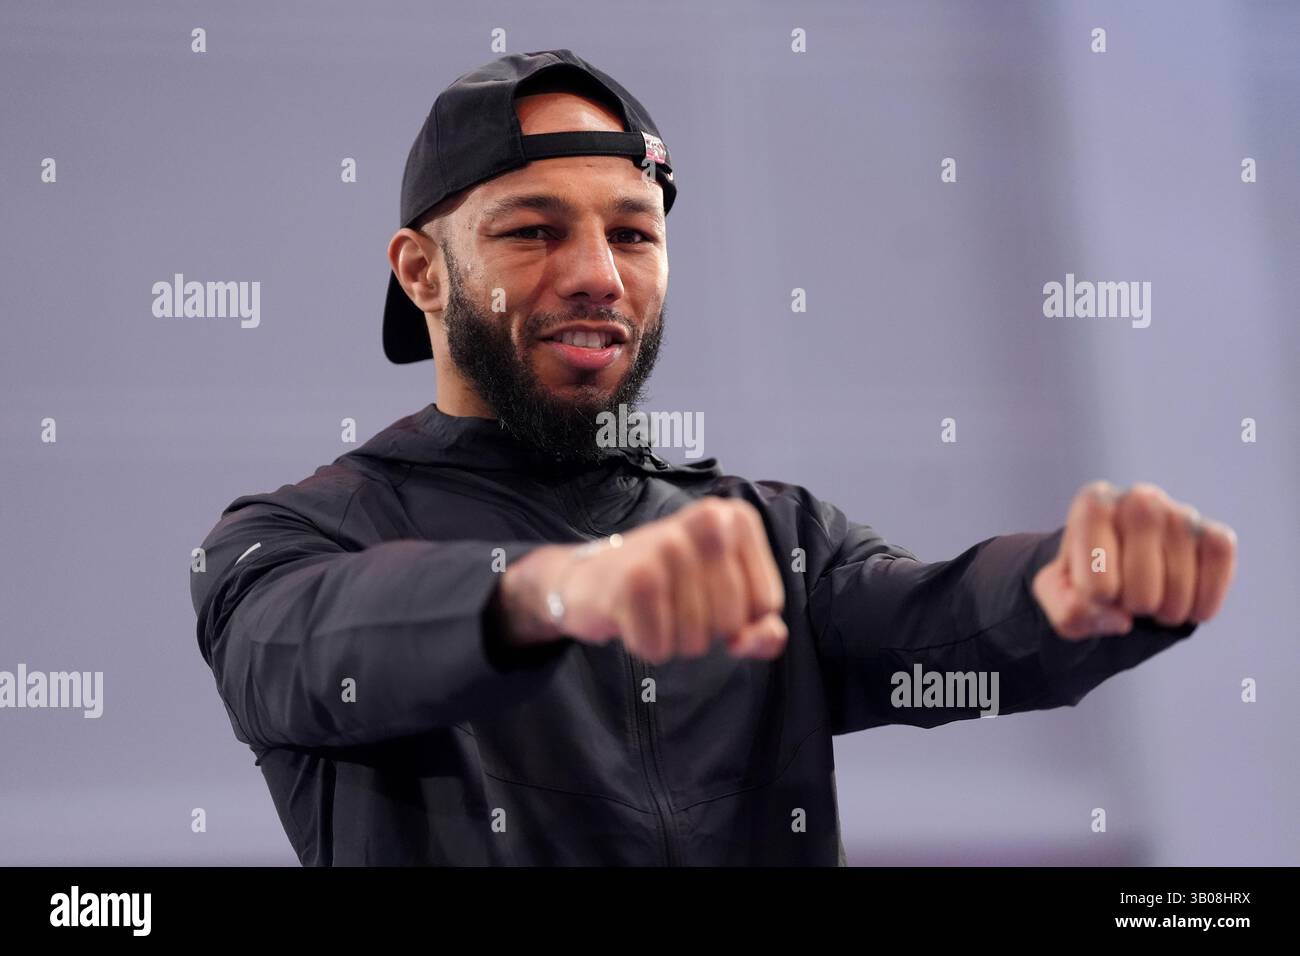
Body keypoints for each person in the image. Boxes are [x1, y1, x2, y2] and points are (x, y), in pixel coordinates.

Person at [188, 49, 1237, 866]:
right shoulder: (289, 539)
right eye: (533, 231)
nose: (598, 273)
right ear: (422, 271)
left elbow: (935, 620)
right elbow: (318, 646)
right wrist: (553, 591)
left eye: (633, 234)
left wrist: (1062, 590)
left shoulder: (771, 535)